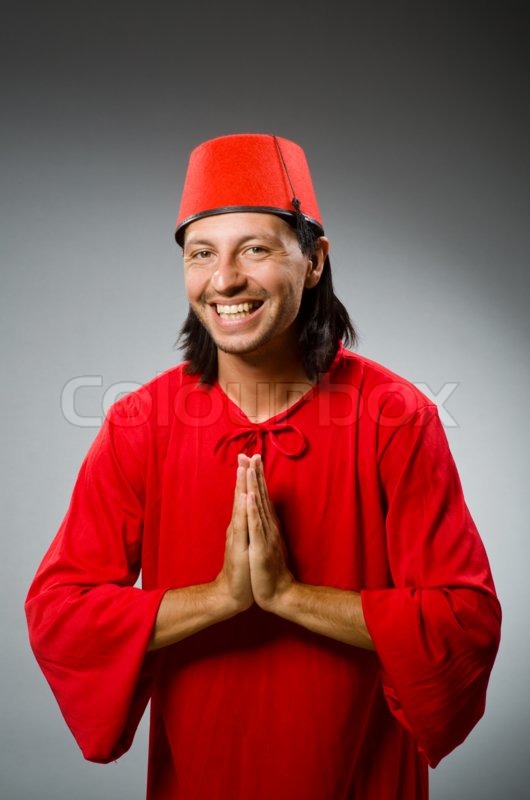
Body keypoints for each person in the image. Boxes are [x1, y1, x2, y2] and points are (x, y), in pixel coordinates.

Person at [25, 133, 501, 800]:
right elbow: (60, 615)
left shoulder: (396, 416)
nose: (225, 280)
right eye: (202, 254)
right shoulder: (141, 423)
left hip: (360, 775)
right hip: (202, 773)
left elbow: (464, 621)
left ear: (313, 262)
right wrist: (222, 598)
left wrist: (289, 597)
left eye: (255, 248)